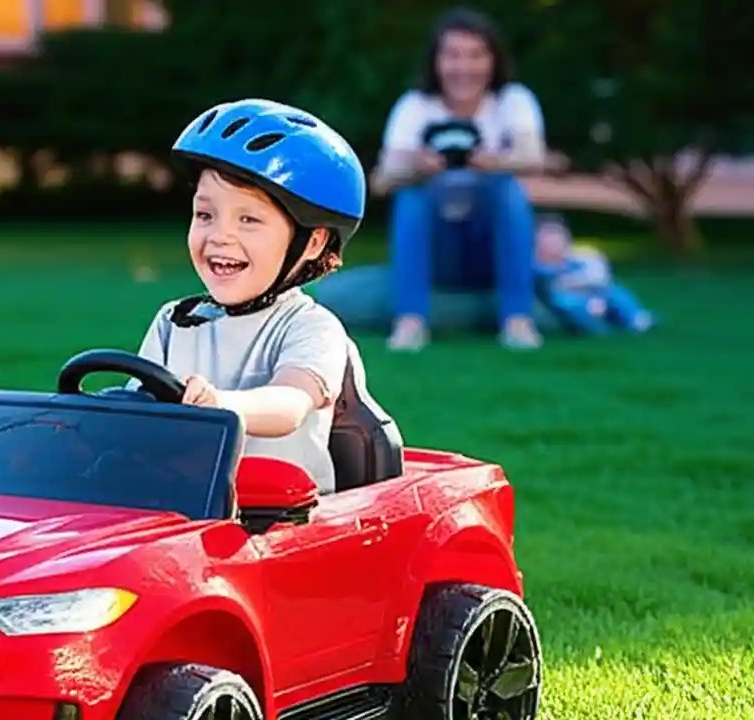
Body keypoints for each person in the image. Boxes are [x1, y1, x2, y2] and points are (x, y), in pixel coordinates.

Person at [132, 98, 396, 495]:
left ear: (312, 242)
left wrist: (221, 403)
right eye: (205, 215)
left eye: (249, 220)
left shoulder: (311, 328)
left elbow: (290, 403)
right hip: (187, 507)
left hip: (284, 521)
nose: (220, 235)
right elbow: (137, 412)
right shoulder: (175, 321)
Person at [370, 6, 566, 352]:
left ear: (493, 61)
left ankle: (518, 322)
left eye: (476, 56)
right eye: (453, 56)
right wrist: (416, 167)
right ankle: (410, 323)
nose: (464, 68)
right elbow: (381, 181)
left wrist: (495, 163)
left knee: (506, 190)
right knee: (413, 195)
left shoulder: (512, 101)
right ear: (437, 62)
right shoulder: (415, 107)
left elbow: (535, 157)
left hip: (490, 248)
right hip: (440, 250)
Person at [533, 214, 655, 334]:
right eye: (546, 236)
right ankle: (598, 325)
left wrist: (594, 298)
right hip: (563, 303)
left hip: (595, 296)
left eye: (557, 235)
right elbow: (548, 291)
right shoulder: (535, 265)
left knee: (614, 291)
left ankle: (636, 319)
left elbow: (600, 279)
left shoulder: (583, 256)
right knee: (567, 303)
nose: (553, 241)